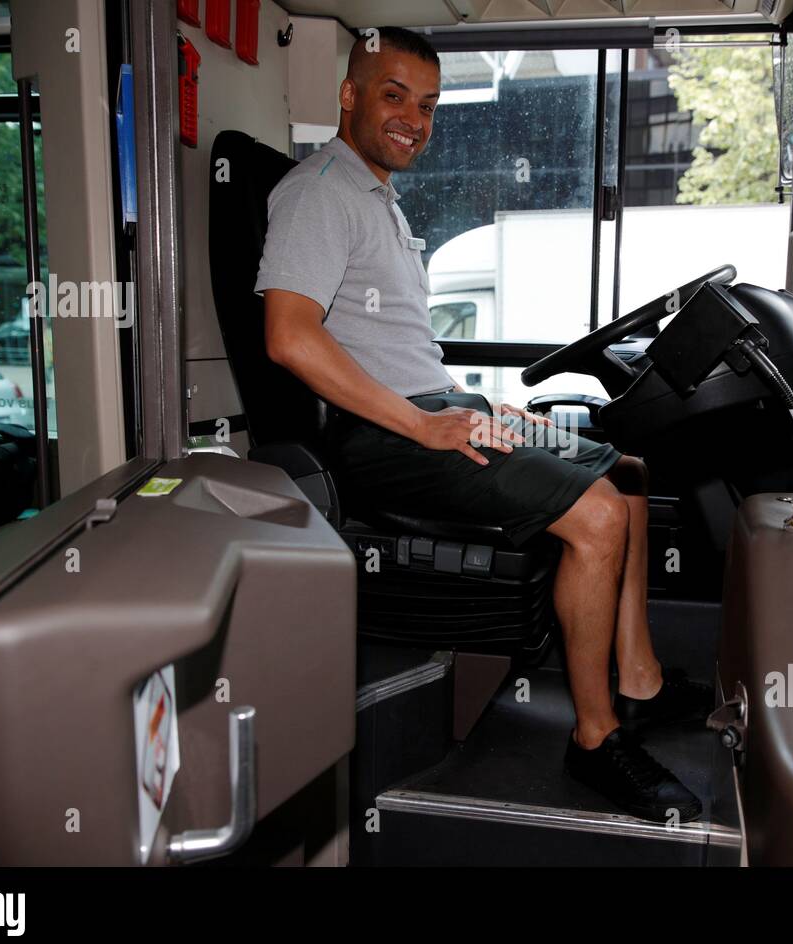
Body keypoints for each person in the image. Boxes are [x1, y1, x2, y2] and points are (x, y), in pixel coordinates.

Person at [257, 27, 710, 823]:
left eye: (428, 106)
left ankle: (637, 679)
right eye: (394, 95)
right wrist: (427, 425)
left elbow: (395, 349)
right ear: (349, 95)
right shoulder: (318, 192)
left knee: (627, 472)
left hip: (431, 410)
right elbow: (290, 336)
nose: (413, 119)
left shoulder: (377, 199)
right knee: (599, 517)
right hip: (384, 441)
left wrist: (470, 403)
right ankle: (597, 740)